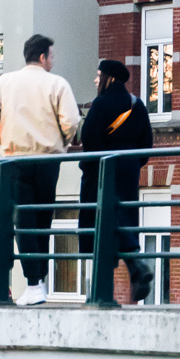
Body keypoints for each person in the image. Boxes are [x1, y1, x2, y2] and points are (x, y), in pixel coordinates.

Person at [0, 32, 79, 306]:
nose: (53, 61)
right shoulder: (57, 84)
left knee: (22, 221)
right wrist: (61, 141)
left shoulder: (5, 82)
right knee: (42, 220)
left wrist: (0, 139)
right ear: (43, 57)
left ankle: (33, 284)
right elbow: (71, 121)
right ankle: (40, 280)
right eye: (52, 56)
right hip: (48, 160)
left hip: (15, 159)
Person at [78, 58, 154, 304]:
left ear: (109, 78)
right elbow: (146, 143)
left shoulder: (100, 105)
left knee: (99, 224)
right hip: (129, 169)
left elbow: (89, 140)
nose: (95, 79)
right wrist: (132, 163)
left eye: (99, 75)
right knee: (123, 218)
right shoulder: (137, 104)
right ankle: (136, 266)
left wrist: (96, 165)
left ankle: (101, 291)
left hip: (101, 171)